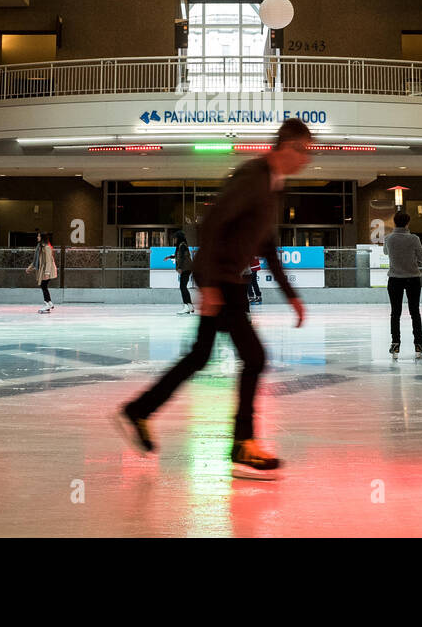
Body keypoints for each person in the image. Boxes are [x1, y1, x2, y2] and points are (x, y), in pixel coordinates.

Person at [116, 118, 310, 480]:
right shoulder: (254, 176)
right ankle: (242, 444)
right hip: (221, 282)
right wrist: (207, 285)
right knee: (253, 357)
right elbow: (213, 223)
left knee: (200, 357)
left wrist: (291, 296)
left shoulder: (272, 187)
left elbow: (267, 245)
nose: (308, 160)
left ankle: (139, 410)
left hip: (226, 281)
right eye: (305, 151)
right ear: (289, 146)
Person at [383, 210, 422, 359]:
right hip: (413, 278)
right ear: (407, 223)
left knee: (395, 313)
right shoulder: (414, 239)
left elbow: (385, 252)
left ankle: (395, 343)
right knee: (415, 312)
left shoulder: (389, 238)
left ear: (394, 222)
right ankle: (418, 343)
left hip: (395, 279)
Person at [164, 229, 195, 314]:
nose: (175, 239)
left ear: (179, 238)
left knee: (182, 287)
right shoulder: (182, 245)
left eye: (176, 238)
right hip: (186, 268)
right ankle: (190, 306)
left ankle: (186, 306)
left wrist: (180, 268)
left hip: (185, 268)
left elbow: (182, 257)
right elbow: (178, 255)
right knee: (183, 287)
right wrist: (169, 257)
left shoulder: (182, 245)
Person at [26, 231, 57, 313]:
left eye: (39, 236)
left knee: (43, 285)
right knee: (44, 286)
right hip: (43, 269)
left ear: (42, 238)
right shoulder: (40, 247)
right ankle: (49, 302)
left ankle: (47, 303)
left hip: (47, 269)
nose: (37, 237)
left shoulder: (47, 247)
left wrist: (47, 273)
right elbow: (36, 260)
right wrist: (29, 268)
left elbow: (48, 261)